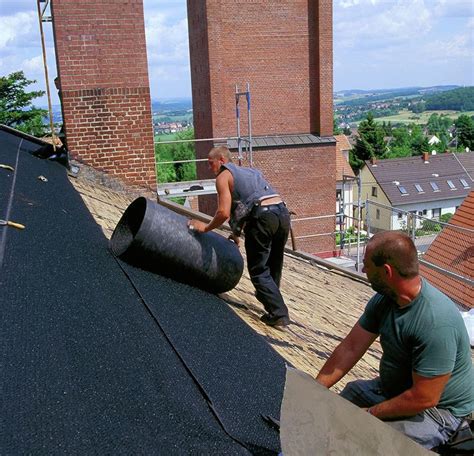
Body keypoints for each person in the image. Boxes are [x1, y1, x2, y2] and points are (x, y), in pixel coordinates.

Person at [315, 231, 473, 450]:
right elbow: (349, 349)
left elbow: (424, 398)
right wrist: (313, 391)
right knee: (349, 396)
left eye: (367, 265)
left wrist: (369, 414)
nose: (363, 269)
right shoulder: (385, 300)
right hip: (397, 390)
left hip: (439, 413)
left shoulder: (435, 321)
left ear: (386, 271)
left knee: (369, 440)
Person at [188, 146, 291, 327]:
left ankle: (279, 313)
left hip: (262, 217)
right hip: (282, 213)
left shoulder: (223, 176)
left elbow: (223, 213)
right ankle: (270, 301)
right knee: (274, 262)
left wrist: (205, 228)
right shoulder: (249, 171)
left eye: (210, 163)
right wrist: (236, 234)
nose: (209, 168)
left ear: (221, 160)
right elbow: (246, 204)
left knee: (258, 270)